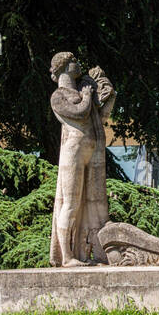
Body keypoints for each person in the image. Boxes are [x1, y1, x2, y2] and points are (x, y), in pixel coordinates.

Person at [49, 53, 113, 266]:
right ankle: (67, 257)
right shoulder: (58, 96)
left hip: (90, 152)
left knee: (93, 204)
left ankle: (89, 249)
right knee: (70, 205)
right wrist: (86, 96)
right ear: (64, 67)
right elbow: (80, 113)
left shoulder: (77, 91)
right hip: (73, 152)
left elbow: (99, 117)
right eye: (74, 61)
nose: (78, 65)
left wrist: (110, 97)